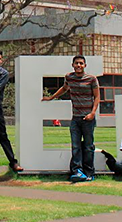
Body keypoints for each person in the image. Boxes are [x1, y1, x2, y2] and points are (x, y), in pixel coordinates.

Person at [42, 55, 100, 183]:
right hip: (75, 118)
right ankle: (77, 171)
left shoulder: (91, 79)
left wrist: (92, 113)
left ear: (85, 65)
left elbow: (96, 97)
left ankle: (89, 172)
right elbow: (64, 88)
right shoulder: (69, 77)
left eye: (81, 63)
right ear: (72, 65)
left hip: (88, 118)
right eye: (76, 63)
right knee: (75, 146)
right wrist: (51, 98)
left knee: (88, 146)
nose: (79, 65)